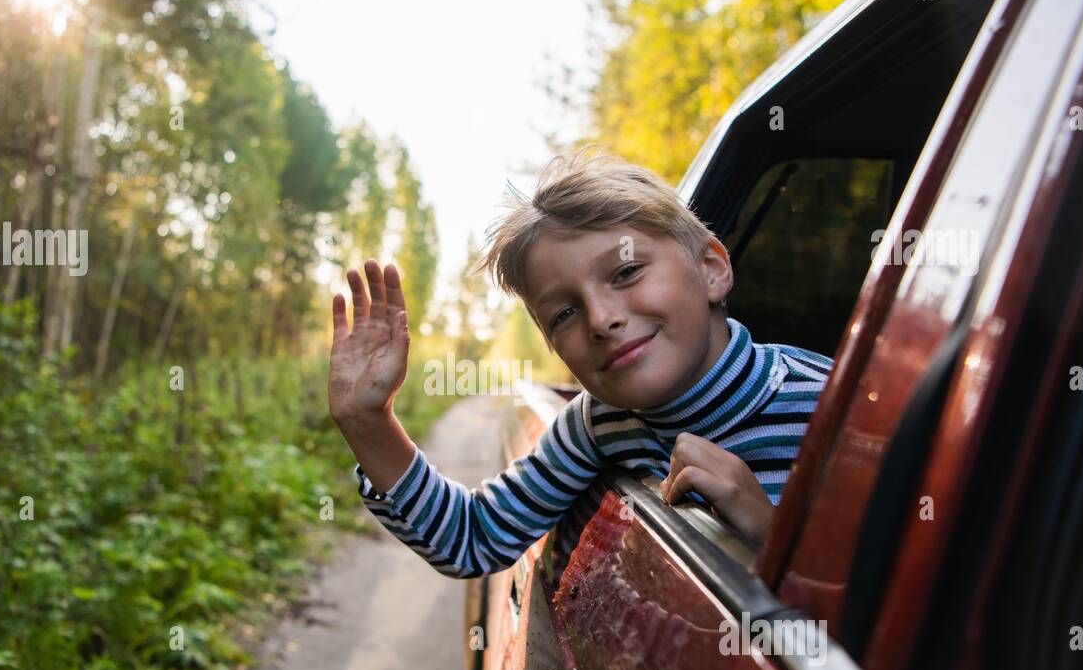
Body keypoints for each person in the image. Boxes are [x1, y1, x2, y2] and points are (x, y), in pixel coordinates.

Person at [327, 146, 833, 579]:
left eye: (627, 271)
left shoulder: (831, 407)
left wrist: (769, 536)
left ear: (711, 270)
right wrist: (368, 422)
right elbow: (474, 537)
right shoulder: (595, 424)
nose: (600, 319)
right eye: (564, 312)